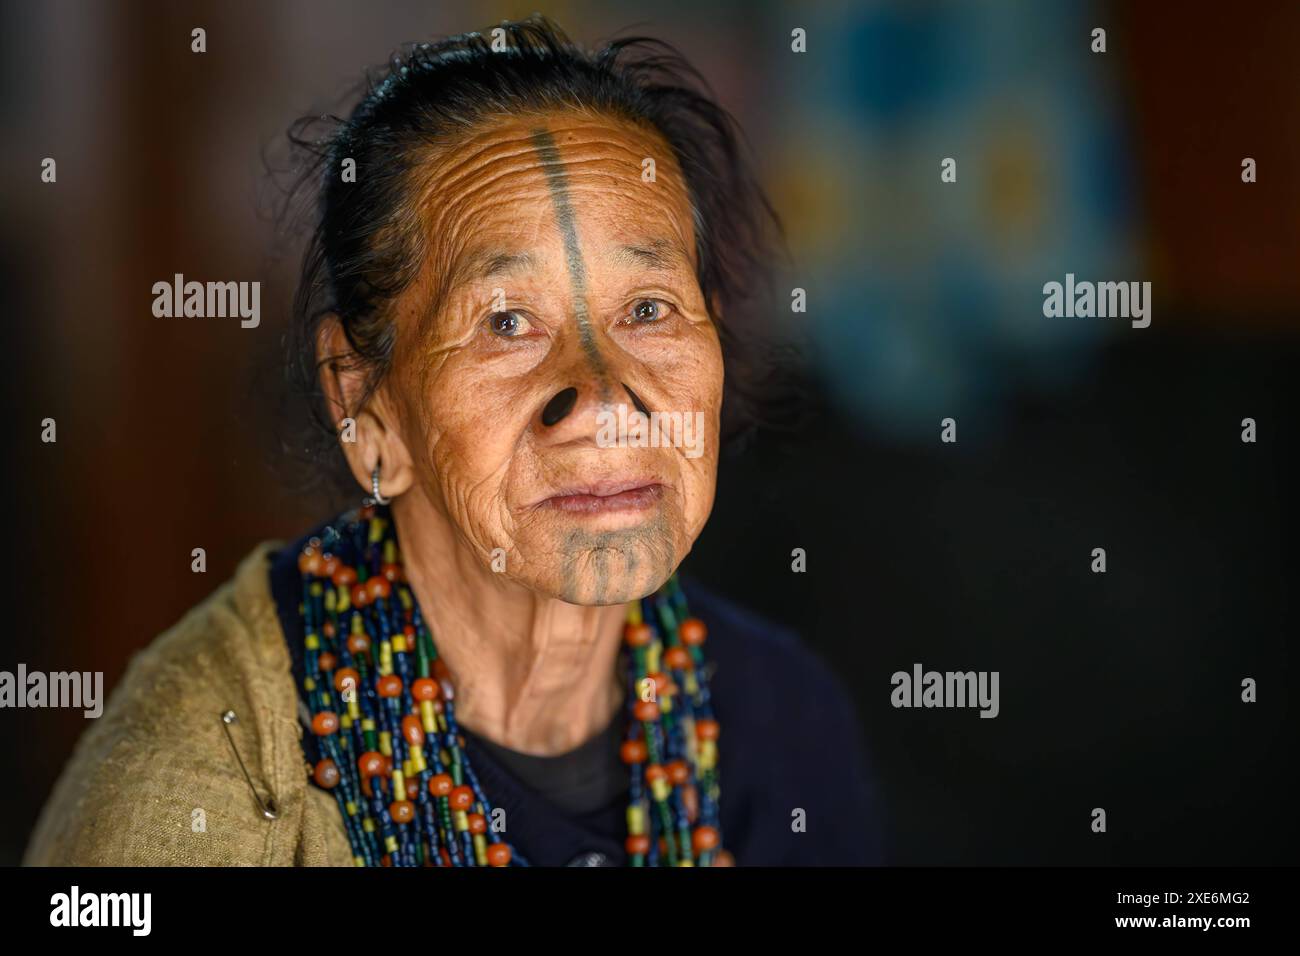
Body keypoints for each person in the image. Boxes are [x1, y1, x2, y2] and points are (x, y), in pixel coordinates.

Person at [24, 15, 882, 867]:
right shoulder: (209, 781)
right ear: (366, 406)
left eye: (649, 309)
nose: (605, 395)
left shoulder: (781, 719)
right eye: (508, 322)